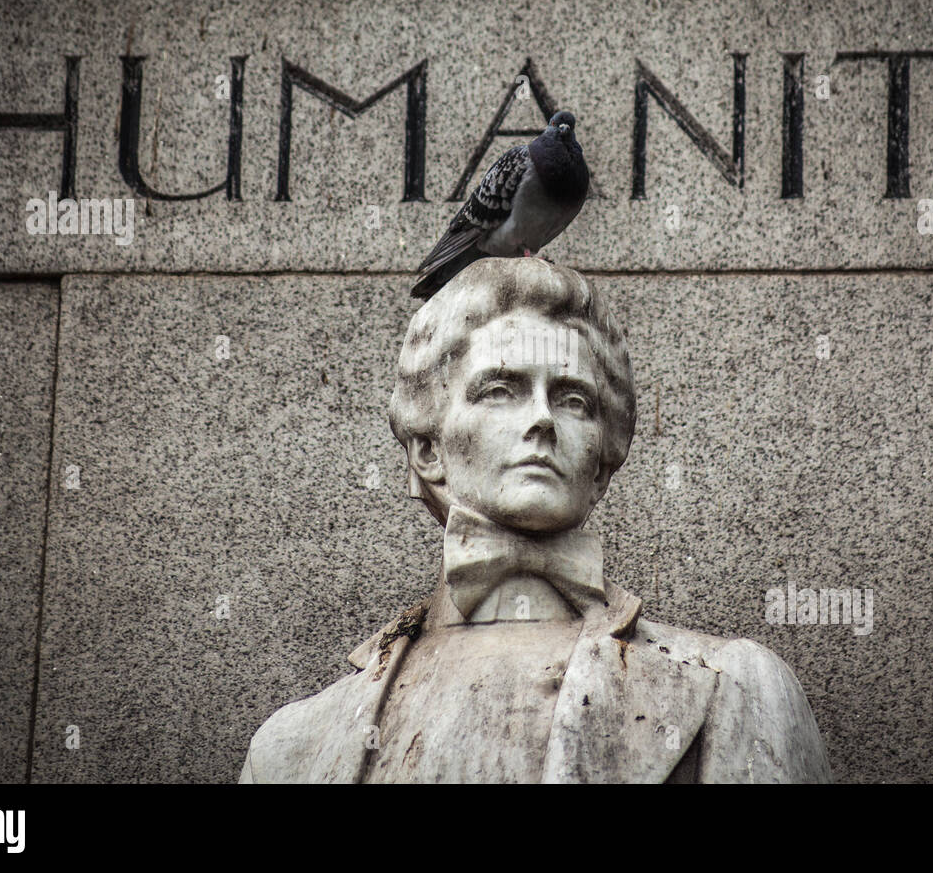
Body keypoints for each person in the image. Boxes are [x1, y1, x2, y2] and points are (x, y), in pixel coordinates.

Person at [240, 257, 832, 783]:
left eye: (573, 399)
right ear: (429, 450)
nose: (543, 420)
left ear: (602, 464)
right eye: (501, 390)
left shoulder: (738, 688)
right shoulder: (294, 747)